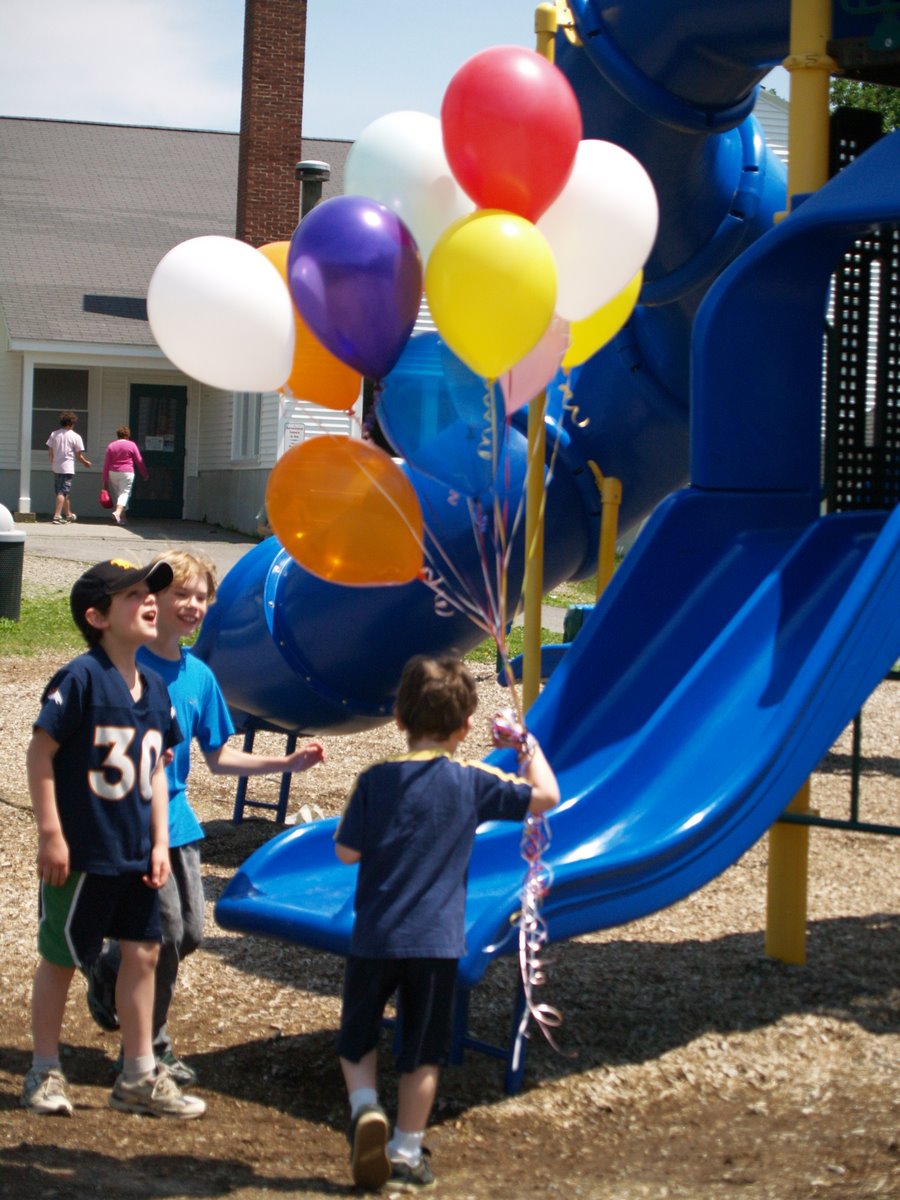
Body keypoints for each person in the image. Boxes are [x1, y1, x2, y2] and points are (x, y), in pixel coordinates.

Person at [85, 549, 326, 1084]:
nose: (193, 605)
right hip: (131, 826)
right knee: (161, 934)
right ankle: (148, 1045)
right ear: (154, 600)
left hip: (180, 823)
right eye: (181, 595)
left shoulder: (198, 677)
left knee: (190, 931)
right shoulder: (123, 666)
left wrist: (285, 761)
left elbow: (220, 757)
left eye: (201, 596)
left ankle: (110, 967)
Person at [334, 655, 560, 1190]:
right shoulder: (472, 781)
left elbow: (346, 853)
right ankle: (407, 1150)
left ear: (398, 719)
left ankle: (365, 1107)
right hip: (435, 942)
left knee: (356, 1037)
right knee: (422, 1050)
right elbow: (547, 796)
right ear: (464, 728)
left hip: (375, 935)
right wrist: (526, 746)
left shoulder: (375, 778)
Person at [22, 556, 206, 1119]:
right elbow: (40, 753)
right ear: (98, 617)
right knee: (60, 957)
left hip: (136, 855)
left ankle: (138, 1076)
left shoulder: (153, 688)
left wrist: (157, 845)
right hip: (82, 855)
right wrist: (51, 834)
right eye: (133, 596)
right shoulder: (80, 678)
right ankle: (44, 1069)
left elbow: (156, 769)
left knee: (145, 954)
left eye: (150, 592)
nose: (149, 601)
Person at [46, 411, 91, 525]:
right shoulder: (75, 436)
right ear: (72, 423)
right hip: (67, 467)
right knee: (63, 491)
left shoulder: (54, 434)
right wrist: (85, 462)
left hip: (56, 466)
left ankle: (69, 515)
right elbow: (78, 455)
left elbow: (50, 451)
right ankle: (57, 515)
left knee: (62, 492)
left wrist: (52, 461)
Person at [102, 425, 149, 526]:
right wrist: (144, 474)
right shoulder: (131, 445)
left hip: (113, 472)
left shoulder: (111, 445)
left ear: (118, 435)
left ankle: (122, 518)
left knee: (118, 495)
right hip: (127, 472)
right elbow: (139, 461)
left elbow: (106, 464)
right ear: (127, 436)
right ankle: (118, 513)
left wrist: (105, 480)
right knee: (124, 493)